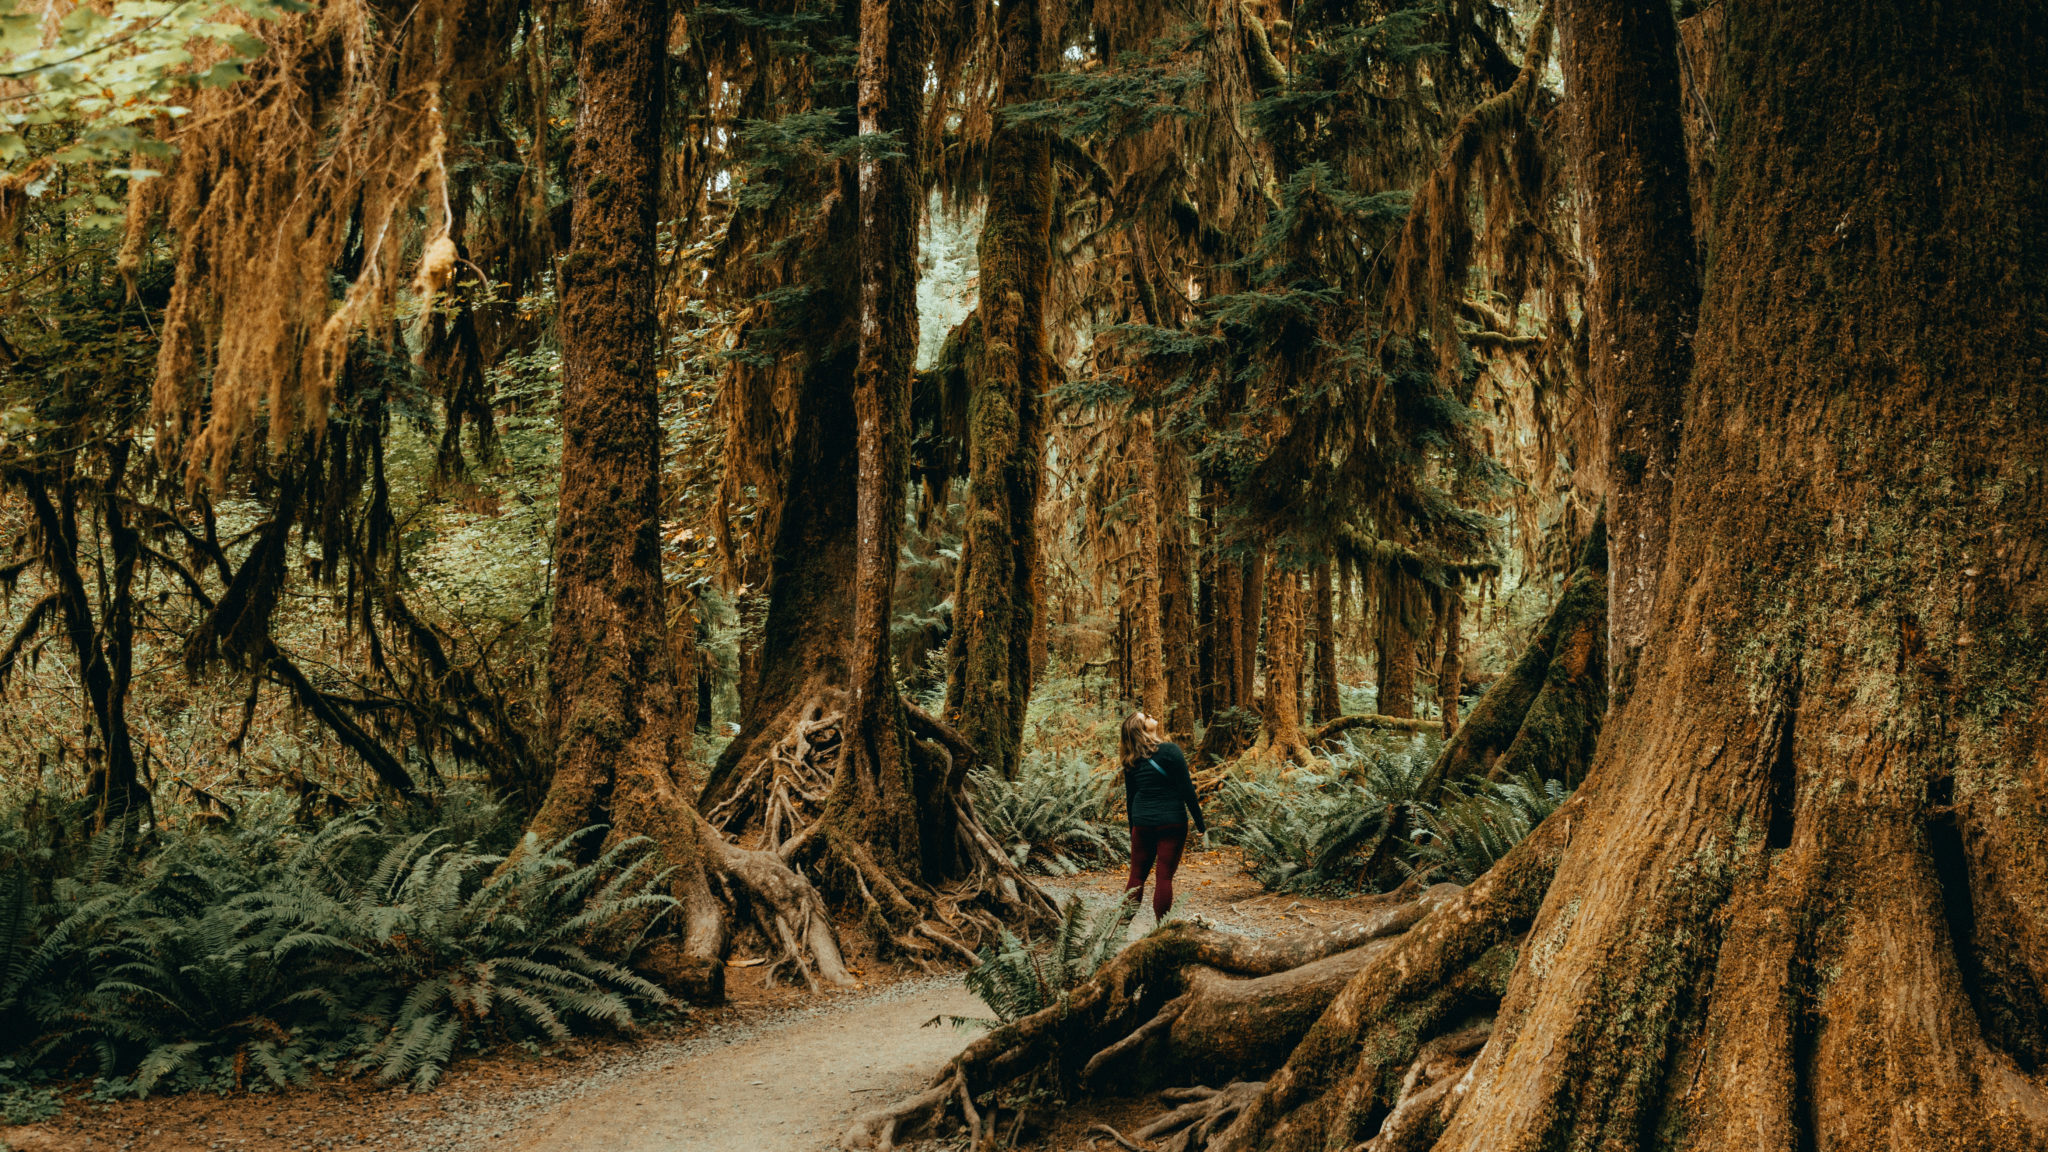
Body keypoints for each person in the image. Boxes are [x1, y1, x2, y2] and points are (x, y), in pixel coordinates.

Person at [1119, 709, 1206, 921]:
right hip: (1172, 822)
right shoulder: (1170, 751)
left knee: (1137, 876)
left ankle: (1119, 928)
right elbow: (1187, 790)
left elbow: (1131, 798)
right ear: (1141, 729)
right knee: (1164, 876)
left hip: (1142, 823)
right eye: (1144, 717)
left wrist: (1133, 829)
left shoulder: (1131, 758)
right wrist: (1202, 826)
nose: (1149, 716)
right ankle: (1162, 929)